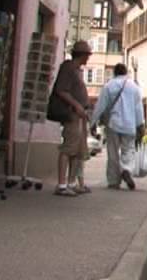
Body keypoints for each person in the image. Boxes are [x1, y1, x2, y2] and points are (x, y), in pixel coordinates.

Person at [91, 63, 145, 190]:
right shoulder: (134, 87)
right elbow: (138, 108)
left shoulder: (109, 85)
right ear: (126, 72)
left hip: (113, 123)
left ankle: (114, 181)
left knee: (112, 152)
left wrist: (93, 122)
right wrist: (140, 125)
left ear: (114, 73)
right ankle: (126, 169)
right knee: (129, 150)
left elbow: (100, 105)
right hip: (129, 124)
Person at [53, 40, 92, 197]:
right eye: (87, 55)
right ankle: (62, 185)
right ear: (81, 55)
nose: (88, 58)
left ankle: (71, 183)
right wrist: (76, 105)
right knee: (68, 148)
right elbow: (61, 90)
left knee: (77, 151)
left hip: (79, 115)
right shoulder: (68, 67)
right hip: (72, 114)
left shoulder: (76, 70)